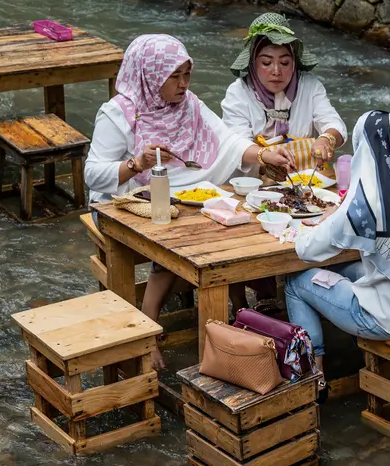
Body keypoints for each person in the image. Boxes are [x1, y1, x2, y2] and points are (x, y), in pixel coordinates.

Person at [84, 34, 294, 370]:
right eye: (175, 76)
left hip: (176, 195)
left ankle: (236, 310)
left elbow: (227, 141)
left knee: (227, 214)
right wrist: (136, 164)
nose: (183, 84)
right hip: (119, 204)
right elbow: (92, 175)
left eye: (187, 74)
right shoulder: (118, 114)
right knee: (174, 226)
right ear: (151, 76)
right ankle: (150, 322)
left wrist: (265, 154)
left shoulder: (189, 104)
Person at [285, 110, 390, 391]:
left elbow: (308, 250)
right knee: (344, 270)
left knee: (296, 281)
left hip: (387, 320)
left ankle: (313, 376)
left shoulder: (369, 204)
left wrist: (302, 232)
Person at [221, 13, 347, 173]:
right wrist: (266, 158)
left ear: (294, 62)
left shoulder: (309, 86)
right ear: (252, 62)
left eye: (284, 63)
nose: (276, 71)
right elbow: (236, 146)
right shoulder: (238, 92)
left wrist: (326, 139)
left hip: (305, 181)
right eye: (266, 63)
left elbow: (333, 123)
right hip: (252, 184)